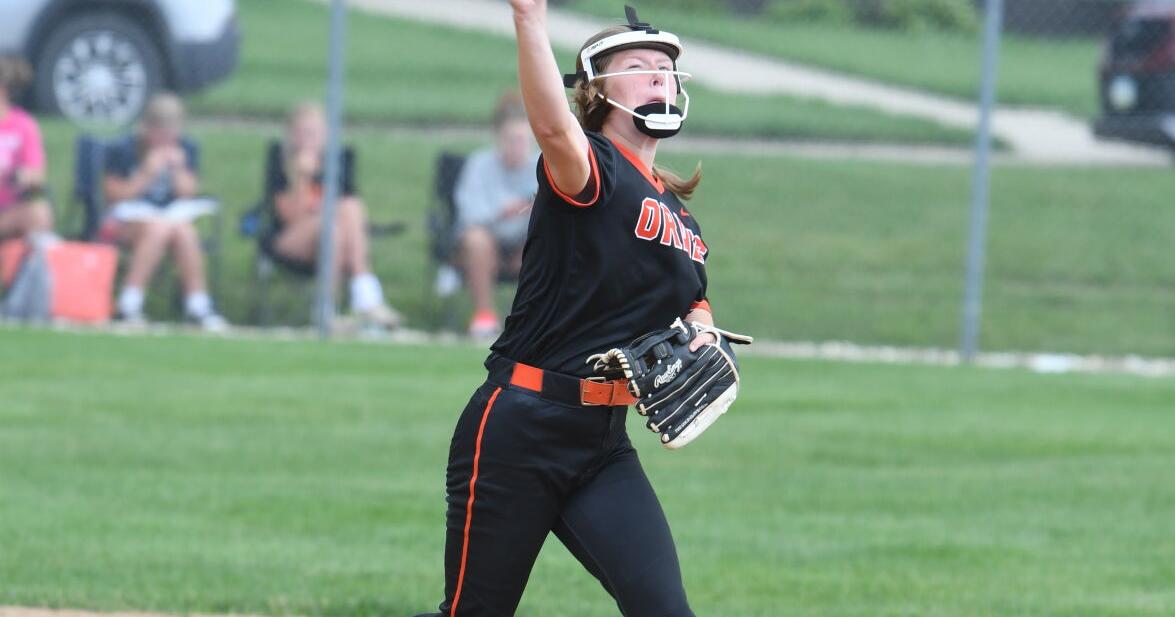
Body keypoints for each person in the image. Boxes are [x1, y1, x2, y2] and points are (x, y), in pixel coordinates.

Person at [416, 3, 716, 616]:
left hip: (602, 443)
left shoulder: (681, 218)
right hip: (519, 426)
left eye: (667, 67)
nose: (660, 75)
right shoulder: (590, 169)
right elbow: (554, 132)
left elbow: (693, 296)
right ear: (595, 89)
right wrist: (530, 19)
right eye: (640, 65)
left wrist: (703, 329)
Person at [265, 101, 400, 328]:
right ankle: (365, 295)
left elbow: (351, 216)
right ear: (291, 135)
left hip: (334, 240)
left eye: (314, 132)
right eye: (302, 132)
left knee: (346, 213)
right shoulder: (281, 164)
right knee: (335, 220)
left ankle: (332, 309)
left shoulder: (336, 164)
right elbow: (291, 218)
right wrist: (301, 178)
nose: (308, 138)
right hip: (291, 239)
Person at [103, 93, 226, 330]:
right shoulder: (124, 148)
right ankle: (129, 303)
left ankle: (198, 305)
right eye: (161, 132)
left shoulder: (186, 148)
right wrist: (146, 174)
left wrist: (178, 170)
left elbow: (189, 192)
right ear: (148, 128)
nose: (167, 139)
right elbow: (112, 195)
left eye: (173, 132)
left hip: (169, 220)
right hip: (126, 221)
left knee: (184, 231)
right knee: (160, 228)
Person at [452, 91, 539, 338]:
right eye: (511, 140)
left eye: (522, 140)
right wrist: (503, 211)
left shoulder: (540, 167)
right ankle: (484, 316)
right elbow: (469, 213)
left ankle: (532, 324)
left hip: (524, 244)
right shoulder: (479, 166)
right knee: (476, 240)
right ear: (499, 138)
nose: (516, 147)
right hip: (486, 245)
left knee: (550, 240)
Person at [0, 56, 53, 245]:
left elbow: (36, 175)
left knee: (38, 212)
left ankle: (33, 272)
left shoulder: (23, 125)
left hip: (8, 209)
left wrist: (21, 175)